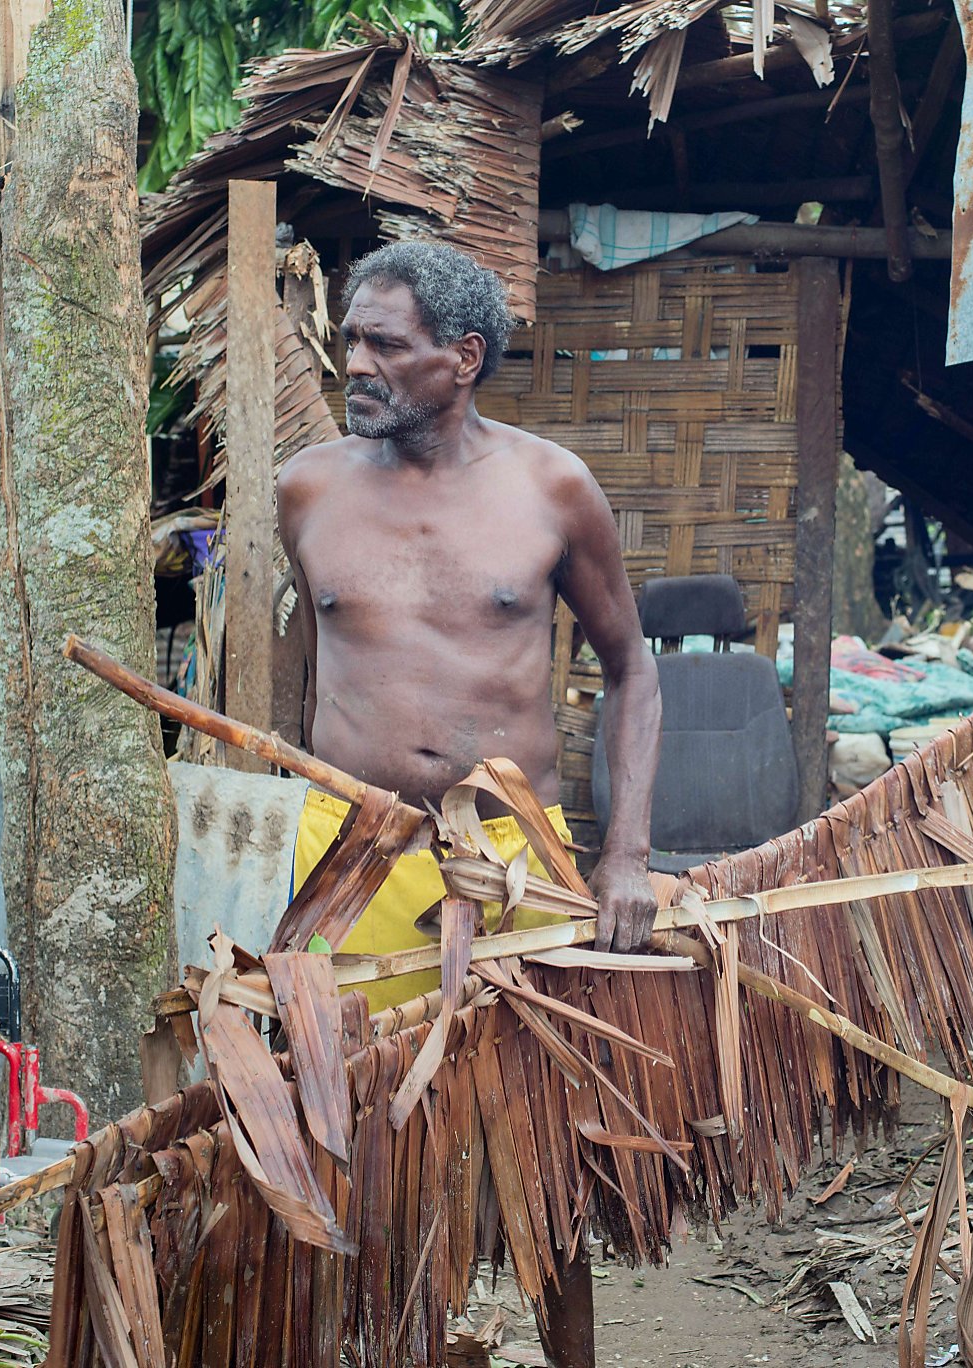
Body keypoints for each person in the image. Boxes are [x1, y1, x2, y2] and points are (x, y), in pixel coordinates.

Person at [277, 240, 661, 1367]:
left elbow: (634, 671)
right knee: (352, 1131)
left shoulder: (551, 490)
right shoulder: (305, 489)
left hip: (510, 858)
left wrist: (624, 856)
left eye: (384, 345)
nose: (356, 361)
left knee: (542, 1140)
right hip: (346, 859)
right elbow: (304, 669)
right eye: (351, 338)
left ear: (463, 358)